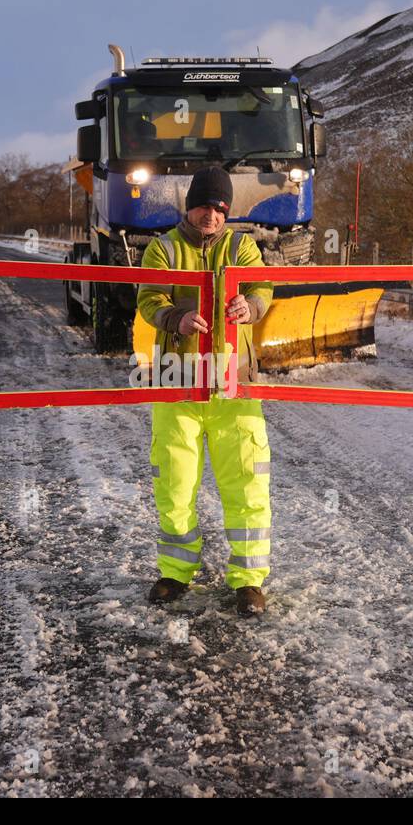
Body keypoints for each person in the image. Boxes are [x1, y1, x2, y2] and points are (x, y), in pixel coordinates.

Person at [135, 166, 274, 617]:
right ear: (189, 206)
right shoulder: (164, 247)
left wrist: (248, 306)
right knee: (174, 484)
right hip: (179, 380)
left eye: (219, 207)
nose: (211, 214)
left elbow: (261, 287)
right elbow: (149, 297)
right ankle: (176, 573)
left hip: (235, 383)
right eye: (203, 205)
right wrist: (174, 317)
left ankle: (249, 581)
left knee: (247, 480)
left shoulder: (243, 246)